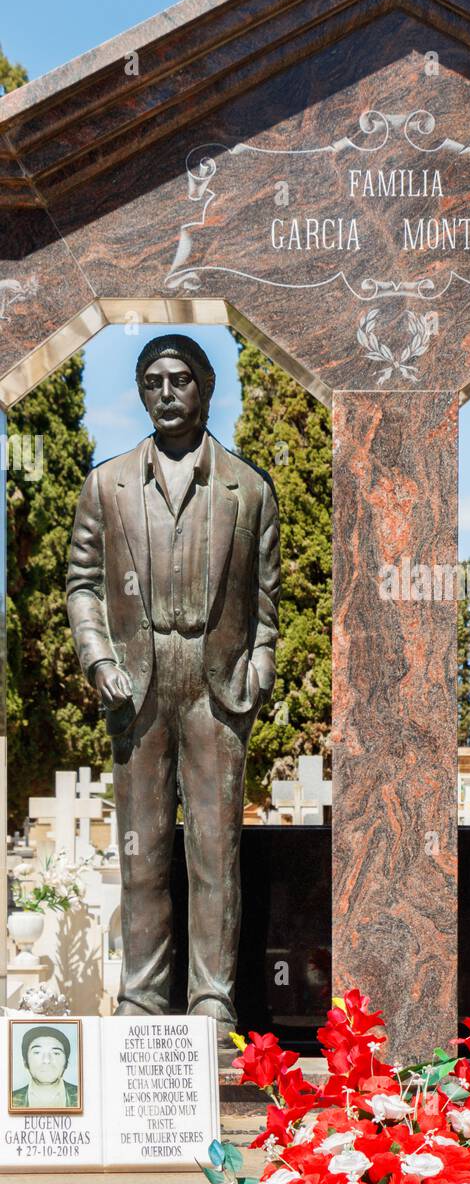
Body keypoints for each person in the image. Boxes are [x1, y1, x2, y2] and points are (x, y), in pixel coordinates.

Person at [66, 335, 280, 1047]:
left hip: (214, 682)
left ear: (205, 388)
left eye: (180, 379)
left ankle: (213, 998)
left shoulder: (248, 488)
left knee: (216, 850)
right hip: (137, 678)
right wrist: (99, 663)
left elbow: (267, 602)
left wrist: (259, 670)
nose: (166, 392)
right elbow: (83, 585)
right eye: (152, 380)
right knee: (144, 848)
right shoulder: (108, 484)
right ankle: (144, 994)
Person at [11, 1026, 79, 1108]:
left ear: (66, 1063)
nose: (46, 1060)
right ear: (25, 1062)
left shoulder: (84, 1097)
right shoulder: (8, 1100)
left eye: (56, 1053)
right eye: (37, 1052)